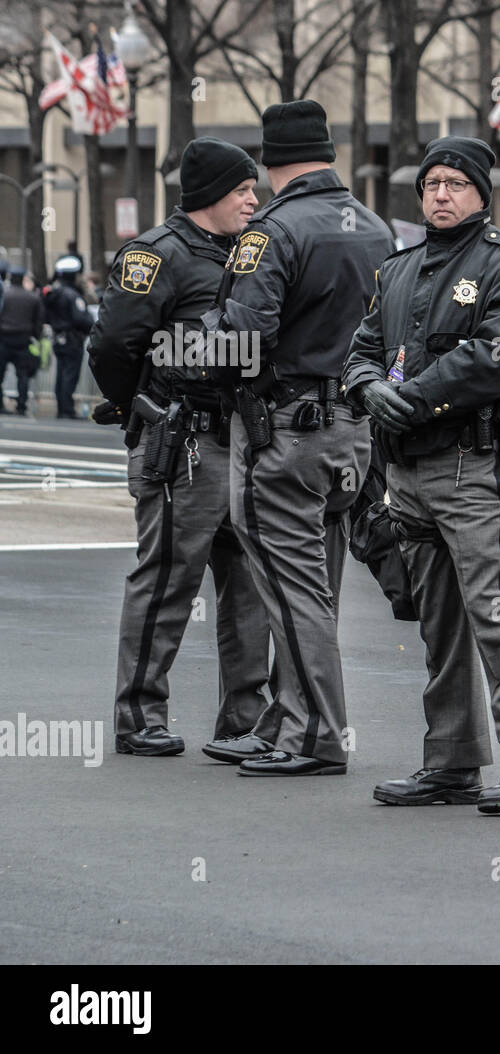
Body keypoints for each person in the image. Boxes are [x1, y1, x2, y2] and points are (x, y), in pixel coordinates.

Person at [342, 135, 500, 813]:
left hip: (471, 465)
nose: (442, 194)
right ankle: (450, 761)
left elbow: (499, 356)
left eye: (455, 184)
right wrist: (364, 388)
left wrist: (407, 396)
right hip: (409, 470)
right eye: (432, 183)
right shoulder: (400, 267)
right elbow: (363, 348)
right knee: (440, 624)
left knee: (496, 617)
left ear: (482, 193)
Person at [215, 100, 394, 776]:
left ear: (269, 160)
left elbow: (242, 339)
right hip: (352, 428)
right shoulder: (375, 227)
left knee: (292, 591)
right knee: (317, 586)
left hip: (286, 431)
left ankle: (315, 732)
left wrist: (201, 334)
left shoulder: (273, 230)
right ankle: (289, 718)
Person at [86, 137, 274, 758]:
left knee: (248, 587)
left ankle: (244, 720)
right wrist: (138, 405)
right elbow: (113, 346)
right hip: (182, 442)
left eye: (253, 188)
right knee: (167, 580)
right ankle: (139, 716)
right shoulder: (155, 255)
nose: (254, 198)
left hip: (243, 442)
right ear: (211, 195)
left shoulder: (249, 254)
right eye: (242, 189)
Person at [44, 255, 95, 418]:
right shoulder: (72, 295)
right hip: (72, 339)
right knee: (69, 375)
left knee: (61, 374)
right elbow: (81, 319)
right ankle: (67, 409)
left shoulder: (56, 293)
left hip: (59, 338)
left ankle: (62, 407)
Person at [0, 266, 44, 416]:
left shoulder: (4, 295)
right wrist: (35, 337)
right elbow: (38, 322)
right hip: (23, 339)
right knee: (23, 375)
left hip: (4, 339)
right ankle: (21, 406)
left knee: (1, 374)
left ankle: (1, 405)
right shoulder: (32, 297)